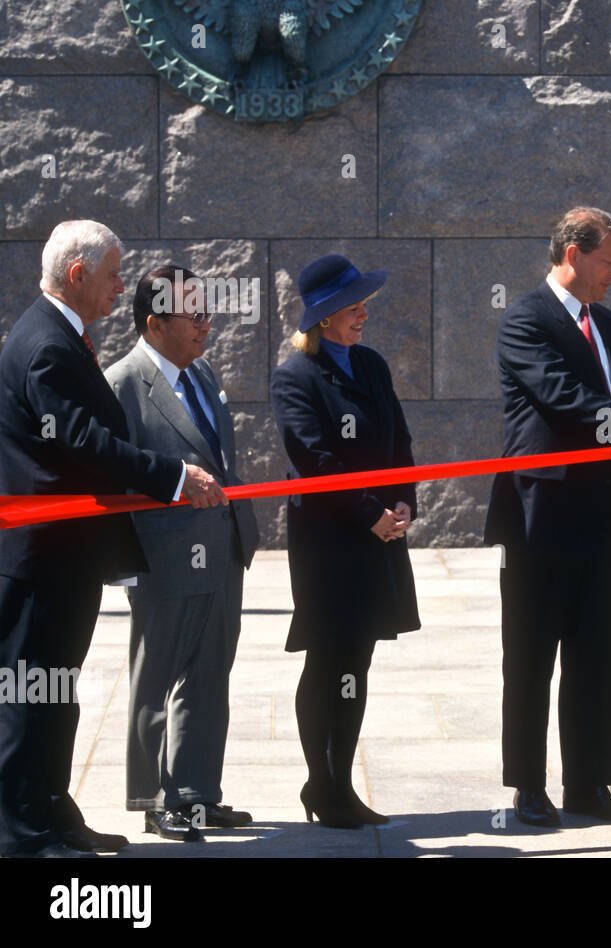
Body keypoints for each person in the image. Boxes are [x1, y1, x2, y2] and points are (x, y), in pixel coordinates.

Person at [0, 221, 225, 858]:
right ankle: (20, 831)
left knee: (57, 693)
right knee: (29, 695)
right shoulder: (46, 344)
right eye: (113, 276)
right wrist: (173, 476)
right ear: (78, 276)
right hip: (41, 556)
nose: (121, 288)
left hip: (64, 556)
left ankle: (51, 808)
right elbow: (84, 441)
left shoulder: (60, 336)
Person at [484, 206, 611, 827]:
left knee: (601, 653)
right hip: (540, 513)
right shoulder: (526, 318)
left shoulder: (610, 325)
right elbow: (564, 398)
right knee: (530, 654)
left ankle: (590, 783)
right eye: (608, 262)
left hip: (602, 510)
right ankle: (527, 785)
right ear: (572, 254)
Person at [104, 265, 260, 842]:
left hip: (223, 546)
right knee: (158, 677)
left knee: (208, 675)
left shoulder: (203, 374)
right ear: (154, 323)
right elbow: (117, 471)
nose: (206, 323)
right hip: (165, 554)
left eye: (206, 310)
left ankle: (195, 793)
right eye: (193, 313)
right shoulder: (122, 382)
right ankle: (151, 798)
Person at [270, 253, 419, 828]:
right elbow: (314, 460)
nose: (363, 314)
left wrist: (404, 501)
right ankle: (322, 783)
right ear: (325, 316)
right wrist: (371, 514)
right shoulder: (295, 376)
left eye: (363, 304)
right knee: (329, 656)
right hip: (332, 542)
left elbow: (399, 441)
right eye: (352, 305)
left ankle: (341, 785)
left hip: (380, 535)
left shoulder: (372, 365)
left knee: (360, 656)